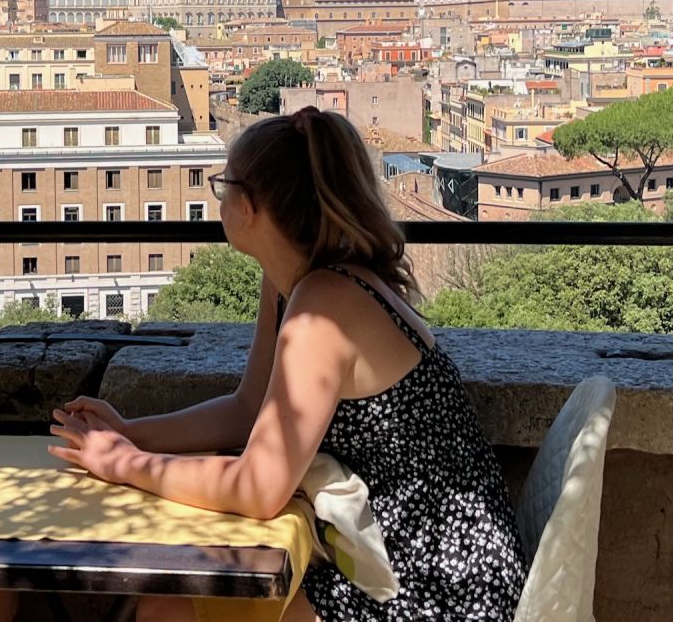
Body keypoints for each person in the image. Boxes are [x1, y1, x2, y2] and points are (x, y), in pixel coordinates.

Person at [49, 107, 527, 622]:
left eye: (223, 186)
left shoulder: (324, 303)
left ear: (250, 207)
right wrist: (130, 433)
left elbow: (259, 488)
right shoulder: (297, 283)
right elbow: (249, 409)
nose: (219, 200)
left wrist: (125, 464)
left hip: (440, 588)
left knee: (166, 612)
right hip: (408, 559)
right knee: (163, 605)